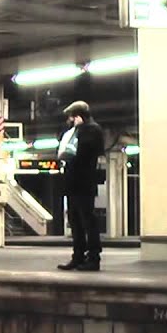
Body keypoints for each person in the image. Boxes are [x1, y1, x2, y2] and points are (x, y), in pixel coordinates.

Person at [56, 100, 104, 271]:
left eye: (71, 117)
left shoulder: (92, 130)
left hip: (84, 183)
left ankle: (93, 258)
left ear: (79, 116)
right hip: (73, 183)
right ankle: (78, 256)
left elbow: (85, 152)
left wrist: (80, 129)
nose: (69, 120)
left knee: (87, 221)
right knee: (75, 221)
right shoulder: (75, 131)